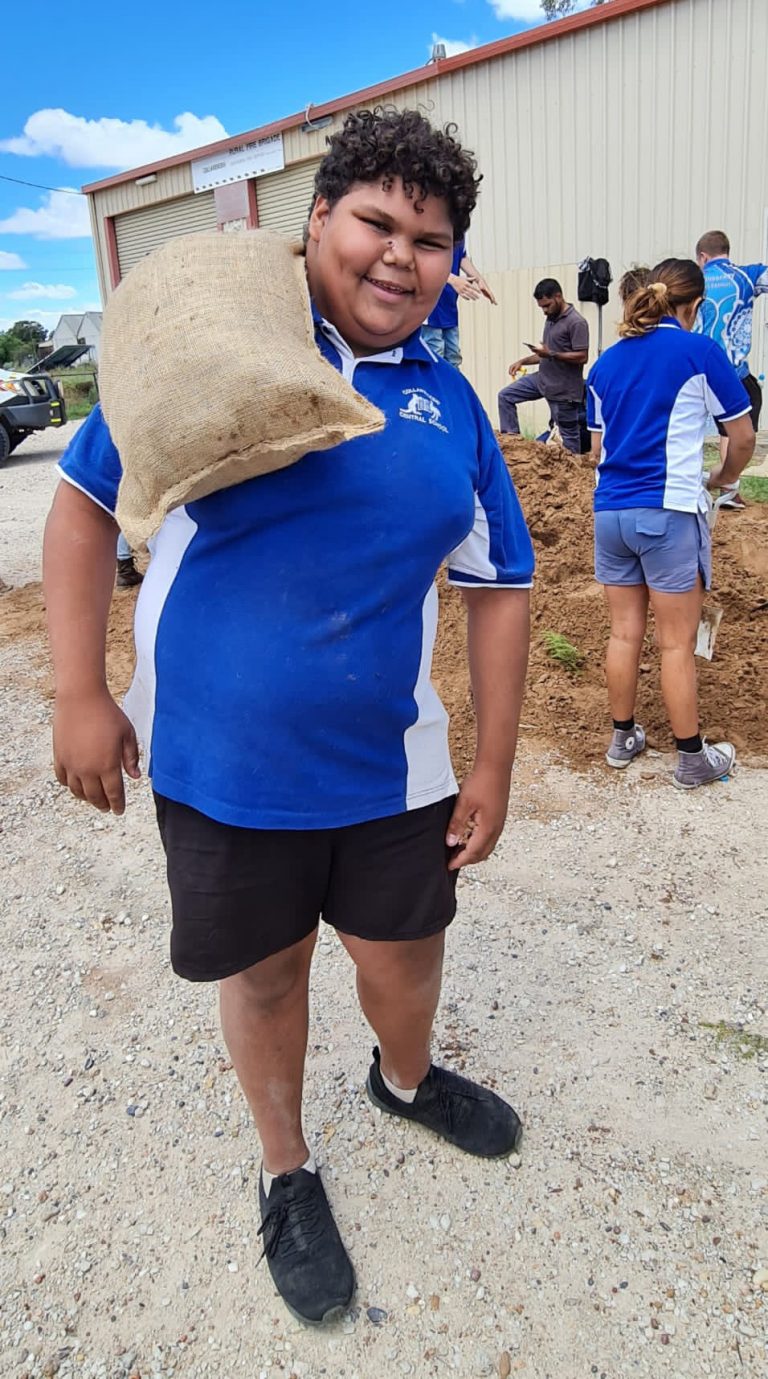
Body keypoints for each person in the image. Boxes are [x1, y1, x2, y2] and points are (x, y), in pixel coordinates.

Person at [43, 107, 534, 1326]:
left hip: (392, 766)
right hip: (224, 767)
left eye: (428, 237)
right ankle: (286, 1166)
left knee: (406, 956)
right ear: (316, 220)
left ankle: (405, 1079)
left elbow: (501, 584)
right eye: (374, 219)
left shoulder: (452, 404)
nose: (397, 255)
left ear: (449, 261)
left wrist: (496, 763)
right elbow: (81, 501)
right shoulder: (221, 347)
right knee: (267, 978)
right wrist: (76, 687)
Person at [586, 259, 755, 788]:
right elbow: (743, 437)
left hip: (610, 511)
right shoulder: (700, 352)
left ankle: (622, 739)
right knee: (676, 642)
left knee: (622, 631)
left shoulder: (604, 364)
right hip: (669, 513)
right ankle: (690, 759)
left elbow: (595, 449)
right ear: (696, 306)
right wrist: (721, 477)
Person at [695, 229, 768, 509]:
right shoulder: (746, 275)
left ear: (702, 256)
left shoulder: (694, 279)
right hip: (732, 369)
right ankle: (728, 483)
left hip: (696, 365)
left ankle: (717, 484)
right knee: (734, 426)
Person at [498, 279, 589, 455]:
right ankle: (513, 448)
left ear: (558, 296)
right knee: (505, 396)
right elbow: (545, 354)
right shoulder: (551, 320)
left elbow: (582, 356)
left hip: (564, 390)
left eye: (547, 305)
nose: (544, 311)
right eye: (541, 307)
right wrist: (522, 361)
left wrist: (552, 354)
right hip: (543, 380)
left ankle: (574, 476)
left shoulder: (576, 322)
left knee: (569, 440)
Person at [421, 239, 496, 367]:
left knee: (453, 356)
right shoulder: (433, 225)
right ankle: (436, 387)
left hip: (448, 303)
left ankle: (453, 387)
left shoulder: (459, 231)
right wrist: (452, 279)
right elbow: (422, 260)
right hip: (430, 304)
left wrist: (480, 280)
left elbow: (461, 255)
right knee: (435, 354)